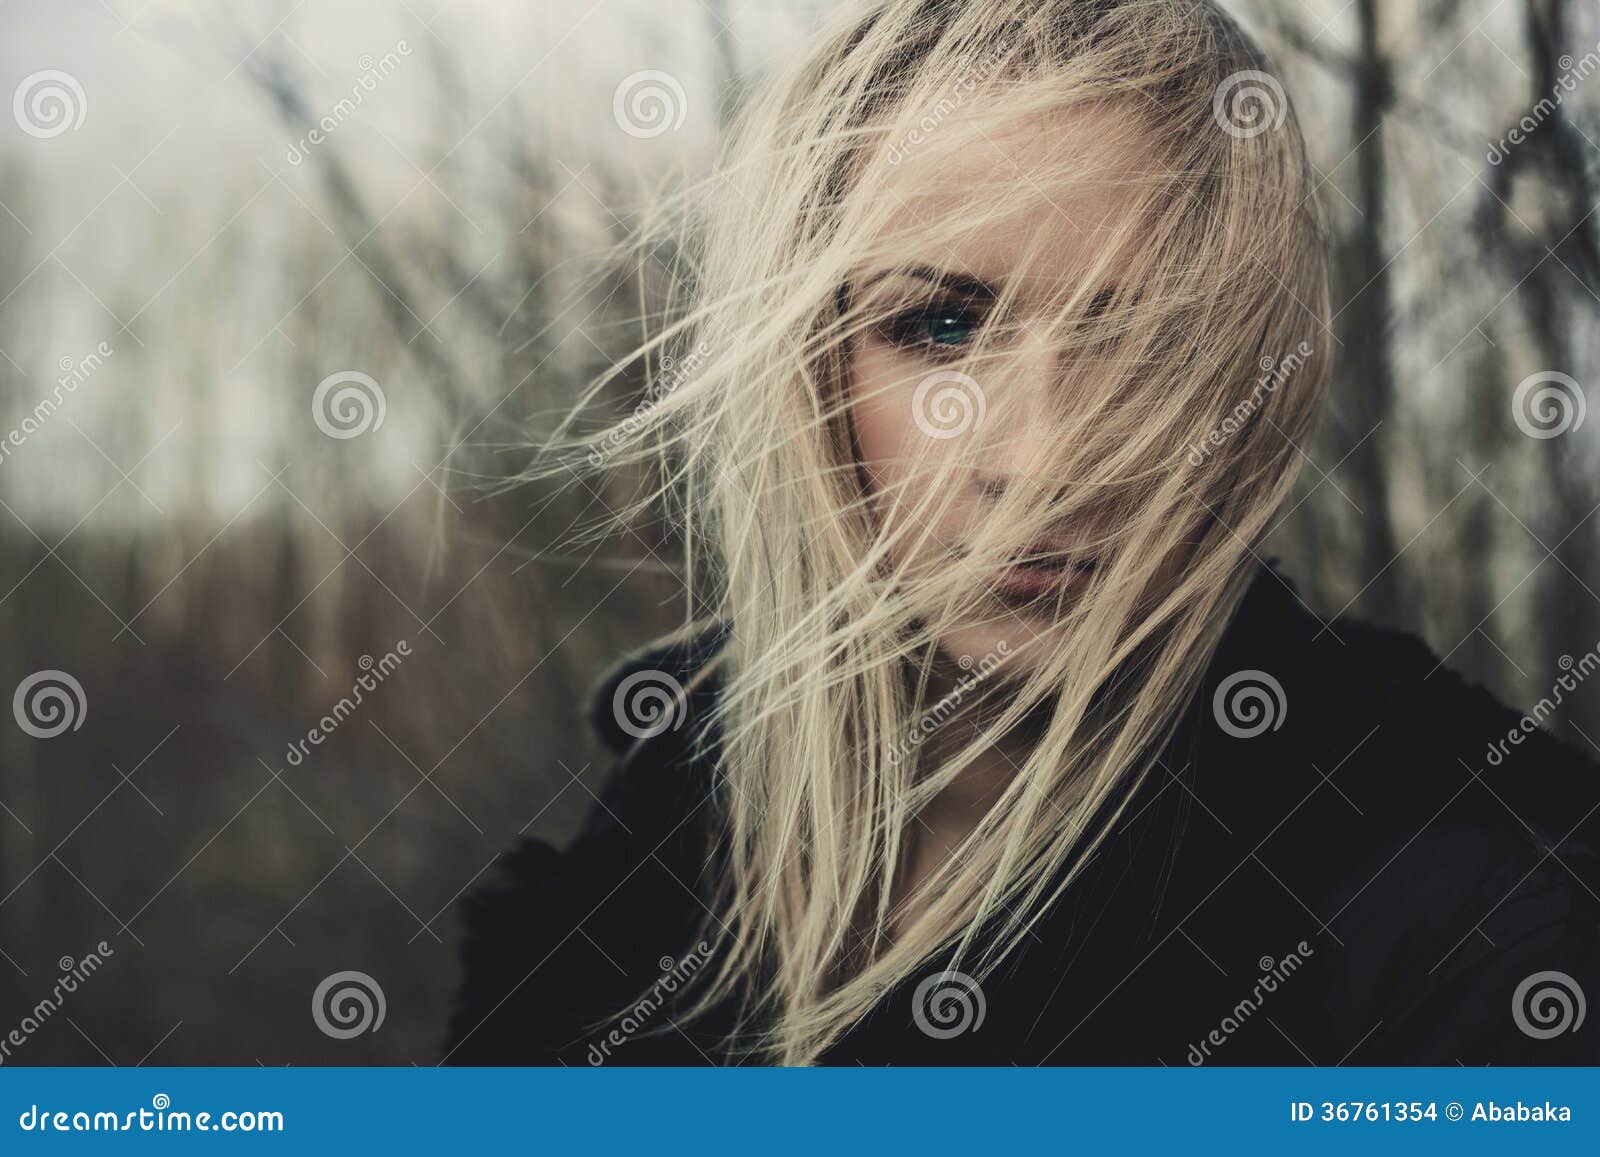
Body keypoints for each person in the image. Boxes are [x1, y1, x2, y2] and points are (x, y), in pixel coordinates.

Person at [444, 0, 1600, 1065]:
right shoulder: (656, 833)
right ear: (805, 373)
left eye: (1147, 342)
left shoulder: (1469, 931)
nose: (1042, 463)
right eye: (939, 326)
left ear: (1251, 383)